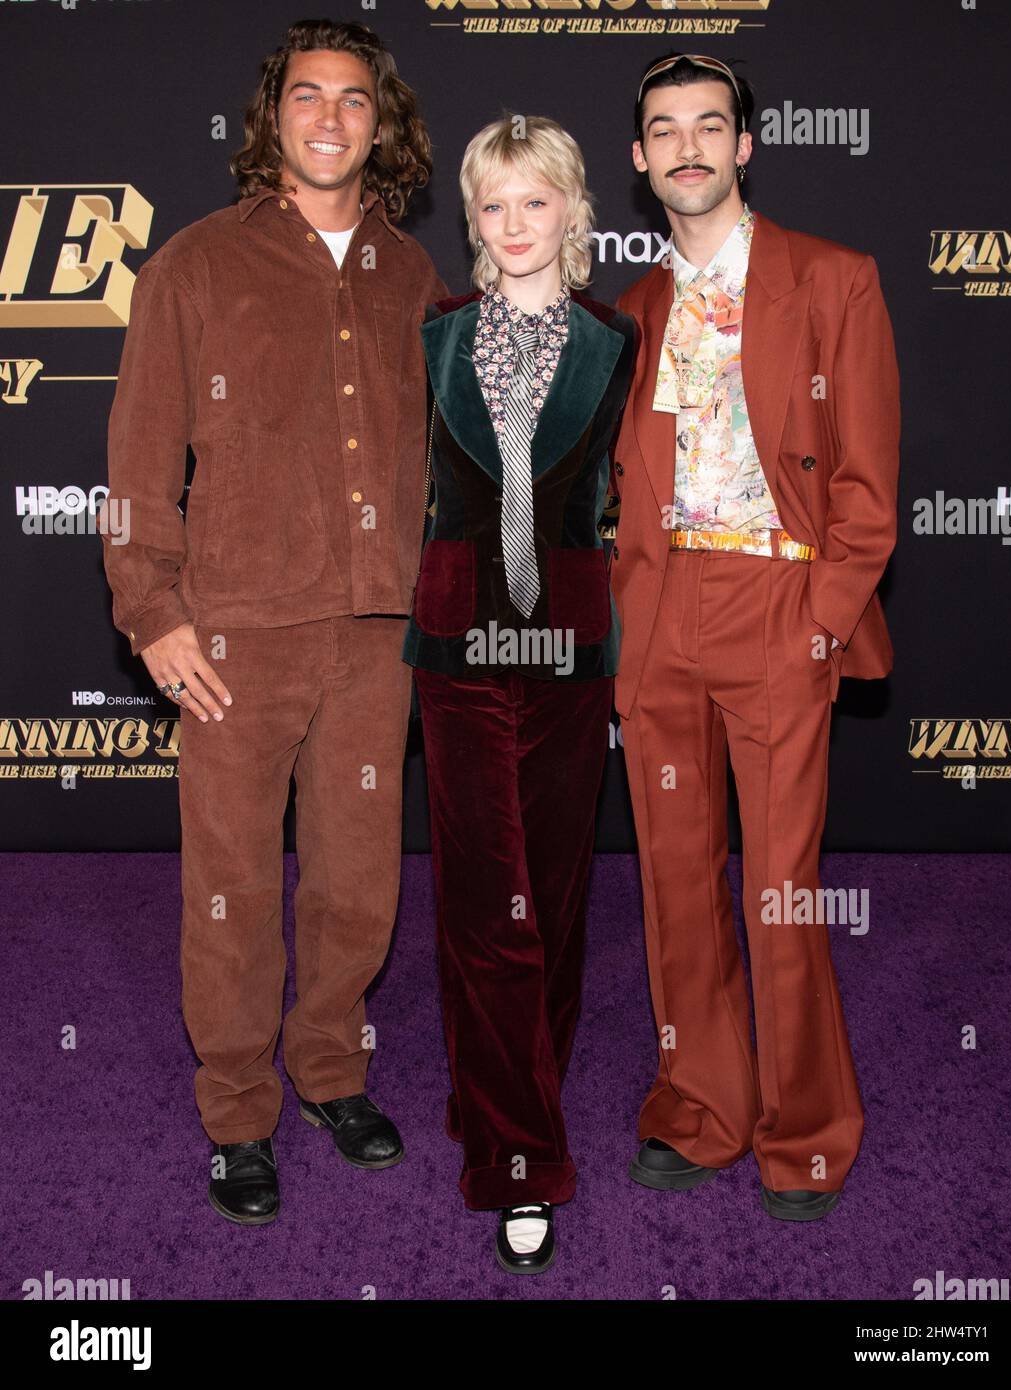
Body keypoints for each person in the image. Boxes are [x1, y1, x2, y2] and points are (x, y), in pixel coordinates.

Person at [100, 19, 448, 1225]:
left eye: (356, 101)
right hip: (235, 636)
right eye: (308, 96)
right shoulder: (192, 266)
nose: (330, 118)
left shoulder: (416, 280)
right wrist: (153, 611)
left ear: (380, 126)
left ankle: (331, 1071)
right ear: (273, 118)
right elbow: (140, 461)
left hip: (375, 636)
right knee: (234, 885)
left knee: (356, 883)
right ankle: (239, 1110)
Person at [610, 55, 899, 1220]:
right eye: (664, 130)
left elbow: (868, 492)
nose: (687, 146)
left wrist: (819, 629)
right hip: (662, 613)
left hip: (781, 610)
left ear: (745, 146)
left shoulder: (834, 280)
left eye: (709, 126)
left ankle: (806, 1129)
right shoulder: (627, 313)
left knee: (779, 890)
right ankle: (702, 1105)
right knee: (677, 883)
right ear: (637, 161)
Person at [403, 115, 638, 1272]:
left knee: (550, 895)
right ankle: (518, 1159)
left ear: (571, 210)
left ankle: (495, 1083)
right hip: (457, 644)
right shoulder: (435, 333)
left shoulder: (616, 338)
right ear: (475, 220)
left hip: (566, 646)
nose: (513, 224)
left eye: (533, 201)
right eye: (492, 204)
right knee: (484, 896)